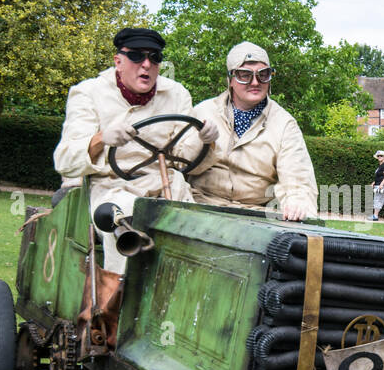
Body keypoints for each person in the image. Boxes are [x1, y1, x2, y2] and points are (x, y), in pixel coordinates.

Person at [55, 27, 217, 262]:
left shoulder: (177, 94)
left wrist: (207, 140)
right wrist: (101, 138)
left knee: (205, 233)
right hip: (110, 188)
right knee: (128, 224)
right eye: (136, 56)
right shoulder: (88, 93)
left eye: (154, 57)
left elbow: (185, 158)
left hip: (168, 186)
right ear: (118, 61)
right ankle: (119, 294)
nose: (146, 64)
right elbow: (65, 161)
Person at [185, 41, 316, 221]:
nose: (255, 82)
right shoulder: (203, 112)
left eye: (263, 75)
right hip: (199, 205)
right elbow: (179, 162)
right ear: (230, 80)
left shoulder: (285, 124)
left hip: (255, 214)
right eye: (244, 75)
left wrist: (297, 203)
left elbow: (298, 180)